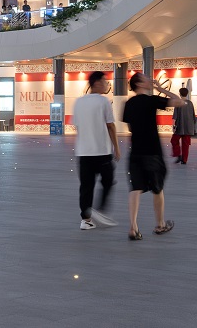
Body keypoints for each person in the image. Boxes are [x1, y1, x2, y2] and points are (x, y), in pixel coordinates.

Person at [121, 72, 173, 240]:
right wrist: (159, 88)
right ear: (140, 84)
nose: (150, 80)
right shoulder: (152, 100)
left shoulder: (129, 103)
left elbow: (130, 127)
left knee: (135, 188)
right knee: (157, 188)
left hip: (135, 151)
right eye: (145, 79)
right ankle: (160, 224)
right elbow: (180, 101)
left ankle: (133, 227)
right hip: (152, 151)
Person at [71, 70, 118, 230]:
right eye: (105, 82)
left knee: (86, 187)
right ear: (97, 83)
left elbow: (77, 126)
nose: (107, 85)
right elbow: (110, 125)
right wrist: (117, 148)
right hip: (102, 151)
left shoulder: (78, 102)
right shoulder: (103, 101)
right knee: (108, 181)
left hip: (83, 152)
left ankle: (86, 220)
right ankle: (99, 209)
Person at [170, 85, 196, 165]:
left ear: (180, 93)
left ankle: (178, 154)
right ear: (187, 93)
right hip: (188, 127)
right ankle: (184, 160)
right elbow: (193, 115)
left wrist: (173, 126)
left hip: (179, 126)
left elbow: (175, 116)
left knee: (174, 140)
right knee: (186, 144)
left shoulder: (178, 103)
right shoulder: (190, 103)